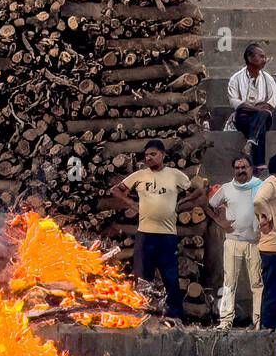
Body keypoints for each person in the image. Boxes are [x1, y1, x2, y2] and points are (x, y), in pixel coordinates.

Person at [112, 141, 197, 320]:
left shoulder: (175, 175)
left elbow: (196, 191)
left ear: (163, 154)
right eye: (146, 155)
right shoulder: (139, 176)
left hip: (167, 236)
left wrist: (181, 204)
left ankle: (175, 317)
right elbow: (116, 190)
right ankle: (142, 315)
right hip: (145, 236)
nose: (148, 158)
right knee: (143, 279)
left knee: (171, 278)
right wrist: (131, 203)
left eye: (153, 154)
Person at [209, 156, 264, 329]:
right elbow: (209, 204)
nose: (241, 170)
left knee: (257, 283)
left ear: (251, 168)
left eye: (244, 167)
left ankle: (258, 321)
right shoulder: (226, 189)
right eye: (237, 167)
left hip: (256, 242)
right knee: (229, 283)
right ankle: (225, 321)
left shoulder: (260, 186)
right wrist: (221, 222)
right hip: (232, 242)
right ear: (233, 170)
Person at [252, 153, 276, 330]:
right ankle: (267, 329)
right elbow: (259, 200)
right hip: (273, 248)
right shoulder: (270, 184)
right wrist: (266, 216)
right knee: (273, 293)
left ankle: (270, 328)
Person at [225, 43, 276, 172]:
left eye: (265, 57)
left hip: (263, 117)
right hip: (243, 119)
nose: (265, 60)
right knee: (260, 119)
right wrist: (258, 108)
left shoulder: (268, 79)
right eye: (262, 57)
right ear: (249, 58)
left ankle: (251, 140)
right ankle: (259, 163)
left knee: (264, 115)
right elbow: (237, 105)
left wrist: (251, 107)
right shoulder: (235, 79)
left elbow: (271, 104)